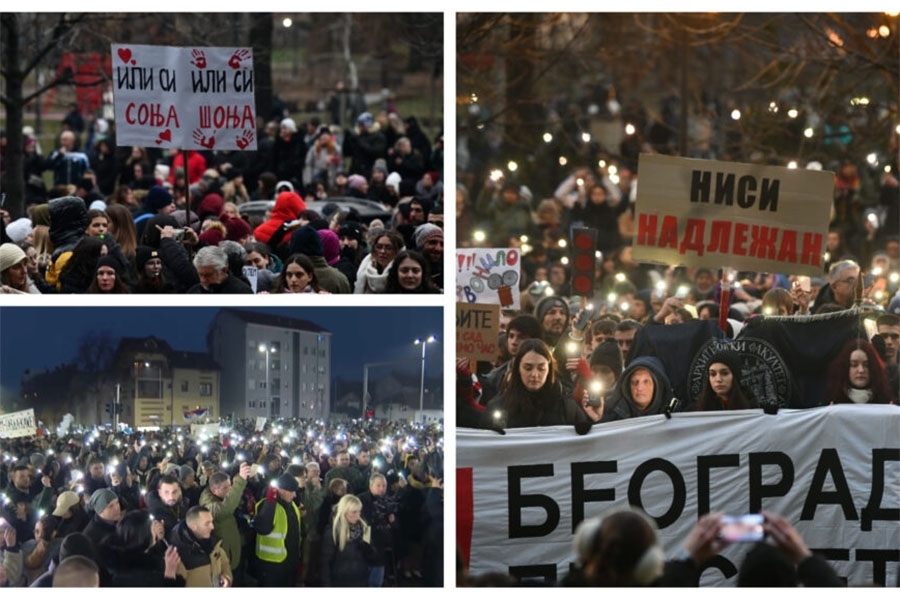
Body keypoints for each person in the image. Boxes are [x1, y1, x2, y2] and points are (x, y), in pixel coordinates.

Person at [482, 338, 597, 429]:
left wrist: (593, 421)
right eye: (528, 368)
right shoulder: (498, 407)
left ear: (549, 370)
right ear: (518, 369)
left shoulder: (567, 409)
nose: (535, 375)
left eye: (541, 368)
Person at [98, 510, 182, 587]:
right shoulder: (135, 578)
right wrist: (170, 572)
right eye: (153, 528)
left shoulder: (114, 555)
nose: (157, 527)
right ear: (144, 539)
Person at [200, 463, 251, 577]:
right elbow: (226, 508)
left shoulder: (223, 497)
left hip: (234, 553)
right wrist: (241, 480)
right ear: (214, 490)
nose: (229, 491)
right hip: (224, 562)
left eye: (230, 486)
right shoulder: (209, 506)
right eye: (225, 488)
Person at [252, 473, 302, 587]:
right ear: (282, 490)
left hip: (289, 561)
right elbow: (263, 528)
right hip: (271, 565)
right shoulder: (266, 505)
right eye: (292, 491)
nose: (295, 495)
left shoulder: (292, 505)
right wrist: (270, 502)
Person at [168, 506, 232, 587]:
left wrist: (227, 578)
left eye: (212, 522)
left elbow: (225, 563)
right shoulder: (178, 555)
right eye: (207, 523)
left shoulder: (213, 542)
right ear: (193, 527)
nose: (212, 527)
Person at [320, 494, 375, 587]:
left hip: (361, 579)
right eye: (354, 512)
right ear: (344, 511)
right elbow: (325, 563)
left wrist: (368, 548)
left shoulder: (365, 528)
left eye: (359, 512)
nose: (358, 516)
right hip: (339, 581)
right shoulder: (333, 531)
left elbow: (372, 557)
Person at [823, 339, 897, 405]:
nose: (861, 370)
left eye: (866, 365)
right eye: (854, 365)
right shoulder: (832, 401)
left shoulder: (886, 402)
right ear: (845, 368)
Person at [602, 356, 674, 422]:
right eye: (634, 382)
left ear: (657, 385)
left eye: (646, 382)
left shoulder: (673, 414)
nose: (639, 388)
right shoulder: (610, 413)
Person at [358, 473, 397, 587]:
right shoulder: (361, 499)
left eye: (384, 485)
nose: (381, 488)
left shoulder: (389, 500)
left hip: (382, 543)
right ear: (370, 486)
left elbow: (395, 523)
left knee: (377, 579)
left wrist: (392, 520)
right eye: (378, 485)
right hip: (365, 540)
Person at [355, 229, 404, 294]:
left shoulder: (402, 274)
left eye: (388, 248)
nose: (382, 251)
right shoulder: (365, 269)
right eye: (379, 247)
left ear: (397, 251)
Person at [187, 246, 253, 294]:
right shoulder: (193, 292)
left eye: (208, 275)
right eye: (200, 274)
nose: (203, 280)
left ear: (224, 270)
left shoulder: (241, 292)